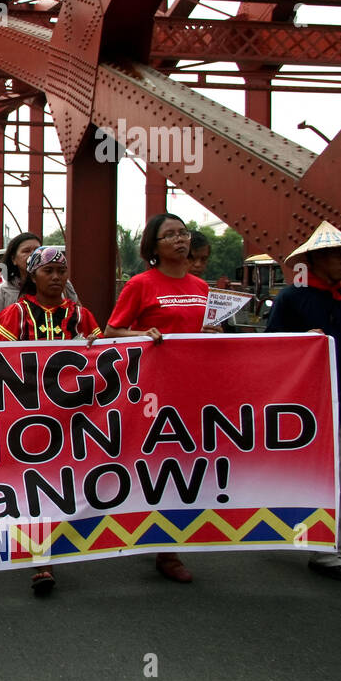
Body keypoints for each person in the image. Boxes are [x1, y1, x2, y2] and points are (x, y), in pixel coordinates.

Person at [0, 246, 102, 596]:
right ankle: (41, 557)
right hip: (27, 417)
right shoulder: (16, 314)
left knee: (62, 479)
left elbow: (105, 356)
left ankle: (48, 547)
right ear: (32, 275)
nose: (55, 277)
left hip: (73, 416)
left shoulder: (81, 316)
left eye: (61, 271)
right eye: (48, 270)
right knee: (34, 481)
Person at [105, 212, 210, 584]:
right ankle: (163, 547)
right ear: (154, 246)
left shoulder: (201, 286)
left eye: (184, 233)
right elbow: (111, 329)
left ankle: (170, 541)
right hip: (153, 389)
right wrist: (141, 333)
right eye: (170, 235)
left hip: (194, 388)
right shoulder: (140, 284)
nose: (181, 240)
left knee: (186, 463)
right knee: (155, 463)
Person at [266, 221, 341, 583]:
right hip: (310, 406)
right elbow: (271, 348)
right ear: (316, 259)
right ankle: (329, 552)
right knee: (336, 479)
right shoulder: (291, 298)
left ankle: (336, 547)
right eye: (337, 255)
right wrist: (302, 342)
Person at [0, 231, 78, 328]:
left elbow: (79, 318)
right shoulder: (3, 290)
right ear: (13, 259)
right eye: (26, 251)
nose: (33, 255)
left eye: (37, 250)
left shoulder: (60, 284)